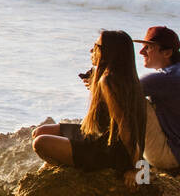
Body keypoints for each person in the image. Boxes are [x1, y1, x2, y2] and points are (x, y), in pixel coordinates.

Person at [32, 30, 146, 176]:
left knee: (40, 142)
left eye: (96, 46)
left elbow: (125, 126)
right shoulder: (120, 77)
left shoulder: (109, 81)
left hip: (108, 149)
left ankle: (75, 170)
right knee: (40, 131)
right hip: (98, 134)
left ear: (108, 53)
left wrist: (136, 168)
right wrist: (94, 86)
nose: (91, 50)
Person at [134, 26, 180, 170]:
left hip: (169, 156)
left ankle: (119, 156)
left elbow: (121, 90)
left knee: (132, 100)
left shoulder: (167, 77)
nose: (141, 52)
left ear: (167, 52)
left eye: (148, 48)